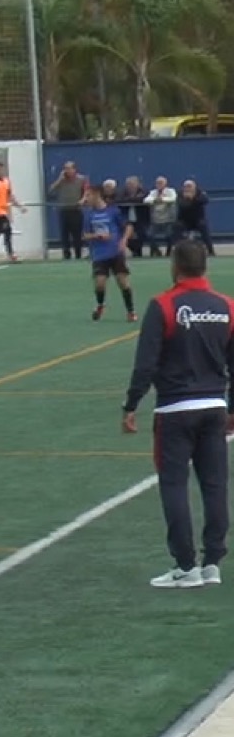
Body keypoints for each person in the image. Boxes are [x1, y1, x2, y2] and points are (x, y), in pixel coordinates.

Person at [122, 239, 233, 589]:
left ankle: (185, 566)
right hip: (214, 407)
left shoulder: (164, 305)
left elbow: (146, 362)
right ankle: (212, 562)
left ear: (175, 266)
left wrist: (131, 404)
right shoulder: (226, 306)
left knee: (173, 484)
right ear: (205, 266)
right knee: (215, 485)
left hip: (174, 409)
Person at [88, 183, 137, 322]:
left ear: (97, 195)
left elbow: (128, 226)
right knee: (100, 283)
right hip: (99, 254)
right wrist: (97, 236)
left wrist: (124, 240)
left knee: (123, 282)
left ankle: (131, 311)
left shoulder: (113, 212)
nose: (86, 199)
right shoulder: (89, 214)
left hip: (115, 253)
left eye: (88, 195)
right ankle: (100, 305)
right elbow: (84, 235)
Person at [52, 162, 88, 259]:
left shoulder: (81, 179)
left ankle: (78, 255)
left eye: (69, 168)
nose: (67, 171)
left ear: (74, 169)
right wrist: (59, 180)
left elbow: (86, 192)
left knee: (77, 235)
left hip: (76, 210)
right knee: (64, 235)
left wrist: (83, 200)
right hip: (63, 210)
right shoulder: (61, 180)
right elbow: (51, 190)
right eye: (65, 168)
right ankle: (66, 255)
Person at [177, 180, 213, 254]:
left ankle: (210, 250)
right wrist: (187, 199)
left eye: (189, 186)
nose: (187, 188)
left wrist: (193, 198)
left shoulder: (200, 192)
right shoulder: (180, 194)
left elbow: (205, 200)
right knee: (177, 226)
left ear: (194, 187)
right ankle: (178, 251)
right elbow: (181, 204)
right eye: (186, 187)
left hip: (198, 220)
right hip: (184, 220)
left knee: (203, 226)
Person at [148, 176, 179, 257]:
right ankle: (157, 251)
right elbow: (147, 200)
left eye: (161, 183)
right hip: (156, 220)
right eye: (158, 183)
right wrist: (155, 200)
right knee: (149, 235)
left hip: (168, 220)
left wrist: (162, 199)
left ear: (165, 184)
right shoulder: (153, 192)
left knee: (169, 235)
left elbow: (173, 198)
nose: (159, 184)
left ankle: (168, 253)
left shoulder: (171, 191)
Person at [120, 176, 150, 259]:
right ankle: (134, 250)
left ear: (137, 184)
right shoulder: (122, 192)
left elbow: (143, 199)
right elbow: (120, 200)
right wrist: (133, 199)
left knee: (142, 234)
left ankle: (138, 252)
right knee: (125, 235)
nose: (130, 186)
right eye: (128, 184)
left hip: (141, 219)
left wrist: (131, 199)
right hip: (127, 220)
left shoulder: (144, 192)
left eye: (132, 184)